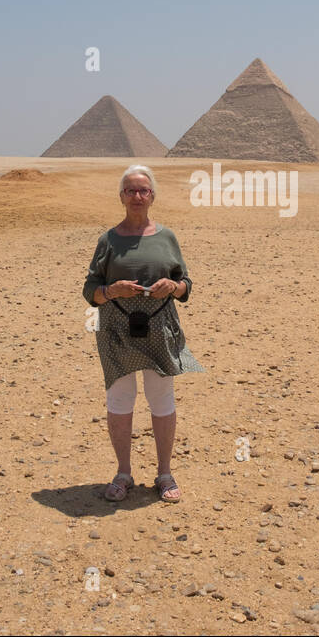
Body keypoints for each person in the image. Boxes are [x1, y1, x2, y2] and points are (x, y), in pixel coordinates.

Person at [84, 165, 204, 503]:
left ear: (152, 196)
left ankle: (165, 474)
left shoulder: (167, 238)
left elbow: (186, 284)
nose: (137, 196)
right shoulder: (108, 240)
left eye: (143, 190)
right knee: (120, 400)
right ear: (121, 196)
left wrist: (173, 286)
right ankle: (123, 473)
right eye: (131, 190)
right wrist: (112, 291)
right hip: (116, 330)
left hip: (159, 328)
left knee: (161, 398)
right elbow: (90, 290)